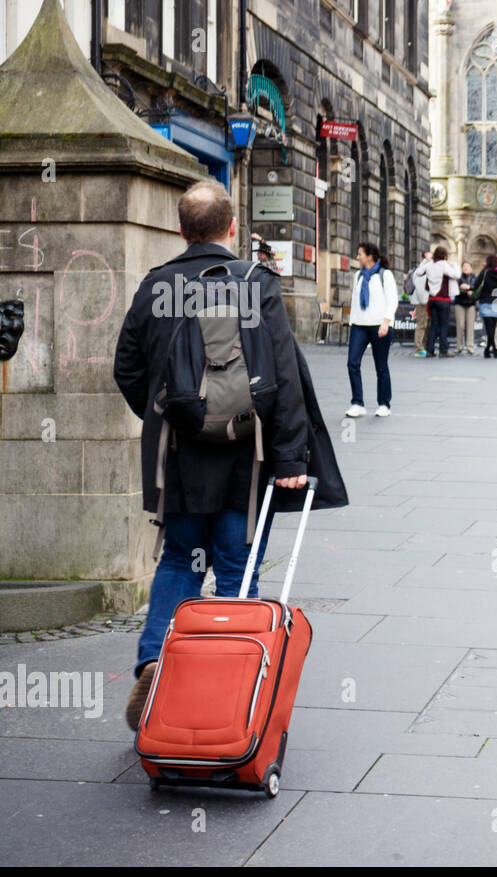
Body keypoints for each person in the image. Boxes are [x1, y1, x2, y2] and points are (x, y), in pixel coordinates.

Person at [113, 179, 311, 731]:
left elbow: (126, 368)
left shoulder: (156, 286)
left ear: (181, 230)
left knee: (178, 559)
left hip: (178, 460)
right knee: (235, 566)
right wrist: (292, 460)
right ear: (231, 228)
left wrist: (167, 415)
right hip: (245, 460)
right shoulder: (257, 283)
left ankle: (155, 661)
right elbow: (285, 375)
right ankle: (226, 684)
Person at [346, 242, 398, 416]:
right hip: (359, 325)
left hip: (379, 325)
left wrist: (386, 322)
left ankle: (384, 404)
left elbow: (392, 301)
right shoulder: (358, 276)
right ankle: (357, 403)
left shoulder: (385, 275)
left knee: (381, 366)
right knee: (352, 363)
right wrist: (352, 322)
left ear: (369, 256)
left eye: (360, 254)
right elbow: (354, 300)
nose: (357, 257)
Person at [414, 246, 459, 357]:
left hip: (432, 299)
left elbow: (419, 272)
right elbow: (456, 275)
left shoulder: (429, 265)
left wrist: (425, 261)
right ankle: (443, 350)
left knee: (433, 325)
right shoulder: (443, 264)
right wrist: (455, 265)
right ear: (444, 255)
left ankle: (430, 350)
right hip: (443, 299)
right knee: (443, 325)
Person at [474, 254, 497, 359]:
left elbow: (476, 284)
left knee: (489, 327)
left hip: (485, 301)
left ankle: (491, 348)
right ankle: (491, 348)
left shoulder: (485, 272)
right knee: (493, 326)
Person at [409, 249, 433, 357]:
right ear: (423, 258)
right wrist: (424, 301)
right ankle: (419, 348)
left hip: (426, 300)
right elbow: (420, 288)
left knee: (426, 324)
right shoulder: (421, 270)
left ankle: (424, 346)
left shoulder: (427, 268)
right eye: (429, 257)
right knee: (422, 324)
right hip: (421, 301)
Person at [453, 260, 477, 355]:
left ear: (471, 268)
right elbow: (456, 290)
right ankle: (459, 347)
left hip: (471, 304)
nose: (466, 268)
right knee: (460, 325)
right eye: (464, 266)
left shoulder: (475, 278)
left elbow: (476, 288)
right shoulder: (458, 278)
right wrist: (467, 291)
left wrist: (467, 287)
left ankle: (470, 347)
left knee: (470, 326)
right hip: (459, 303)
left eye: (467, 266)